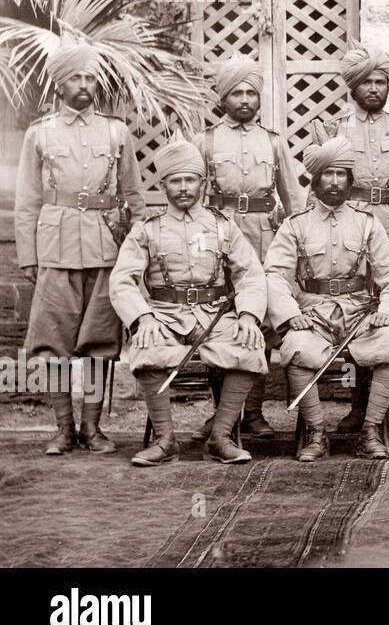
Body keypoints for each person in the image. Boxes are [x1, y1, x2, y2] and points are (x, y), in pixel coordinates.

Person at [14, 42, 146, 455]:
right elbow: (27, 200)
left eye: (90, 78)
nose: (85, 86)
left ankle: (91, 429)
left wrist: (137, 252)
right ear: (60, 82)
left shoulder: (115, 130)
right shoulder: (41, 132)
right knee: (53, 342)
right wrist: (29, 256)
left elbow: (134, 196)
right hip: (55, 246)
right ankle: (62, 429)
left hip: (106, 246)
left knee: (98, 340)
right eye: (76, 78)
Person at [109, 141, 267, 467]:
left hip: (214, 315)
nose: (183, 188)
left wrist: (249, 316)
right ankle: (165, 440)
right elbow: (122, 280)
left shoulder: (223, 226)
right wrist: (142, 319)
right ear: (163, 185)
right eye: (175, 181)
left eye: (190, 180)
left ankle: (220, 437)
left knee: (248, 346)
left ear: (202, 183)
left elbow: (250, 274)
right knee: (147, 348)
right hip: (164, 315)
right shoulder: (147, 230)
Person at [263, 137, 389, 462]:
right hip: (312, 315)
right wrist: (289, 316)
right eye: (327, 174)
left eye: (341, 174)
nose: (334, 182)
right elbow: (274, 274)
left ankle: (370, 430)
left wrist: (388, 311)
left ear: (350, 179)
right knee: (295, 349)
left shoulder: (367, 224)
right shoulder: (294, 226)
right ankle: (316, 433)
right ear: (315, 180)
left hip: (360, 315)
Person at [310, 46, 389, 431]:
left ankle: (386, 405)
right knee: (350, 310)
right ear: (353, 87)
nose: (375, 89)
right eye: (367, 83)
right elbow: (320, 185)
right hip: (348, 224)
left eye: (381, 82)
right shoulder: (336, 127)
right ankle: (354, 405)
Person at [192, 56, 305, 440]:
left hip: (262, 239)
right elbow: (192, 199)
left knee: (261, 321)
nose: (244, 99)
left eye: (250, 93)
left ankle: (253, 413)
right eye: (236, 92)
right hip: (217, 239)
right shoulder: (205, 140)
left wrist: (300, 248)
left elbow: (294, 202)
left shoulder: (272, 141)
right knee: (218, 318)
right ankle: (222, 413)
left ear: (259, 99)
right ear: (223, 97)